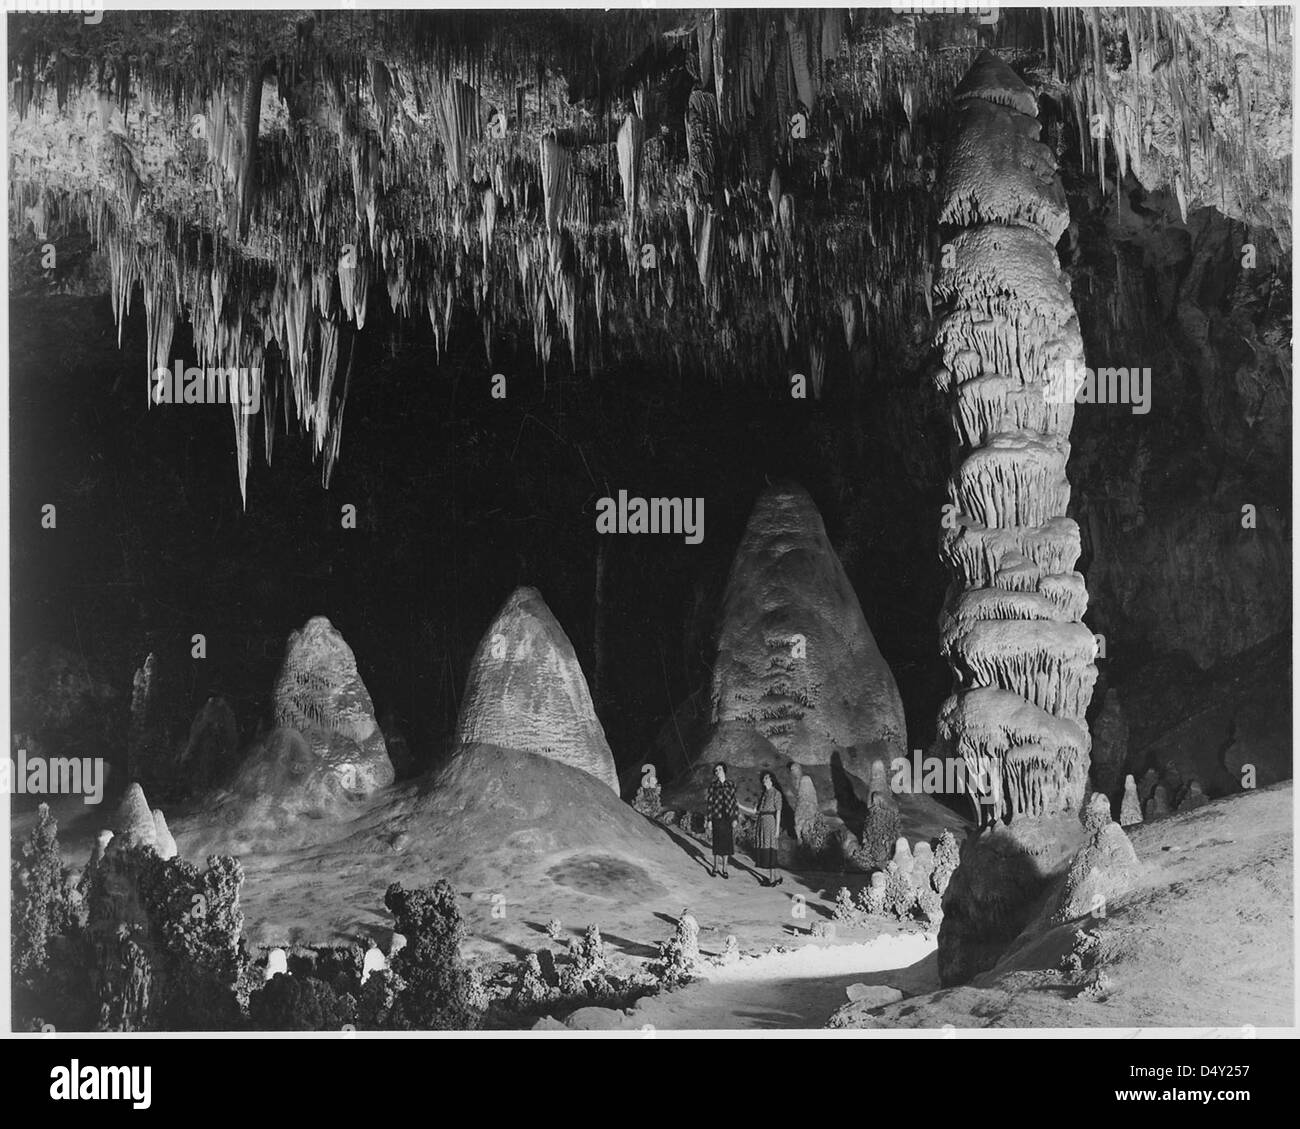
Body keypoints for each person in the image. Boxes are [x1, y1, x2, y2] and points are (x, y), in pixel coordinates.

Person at [750, 770, 784, 887]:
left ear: (771, 780)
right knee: (766, 849)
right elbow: (758, 810)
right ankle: (778, 877)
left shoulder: (776, 794)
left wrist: (777, 829)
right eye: (763, 779)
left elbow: (778, 811)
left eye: (766, 778)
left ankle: (772, 879)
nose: (763, 780)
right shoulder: (764, 794)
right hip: (762, 823)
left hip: (771, 823)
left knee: (771, 850)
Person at [705, 762, 739, 879]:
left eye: (719, 769)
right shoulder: (713, 785)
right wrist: (709, 820)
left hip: (728, 818)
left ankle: (725, 868)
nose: (717, 771)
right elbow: (709, 803)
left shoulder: (731, 784)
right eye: (715, 770)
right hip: (717, 816)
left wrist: (735, 818)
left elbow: (734, 803)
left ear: (724, 770)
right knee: (717, 842)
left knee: (727, 843)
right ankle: (715, 867)